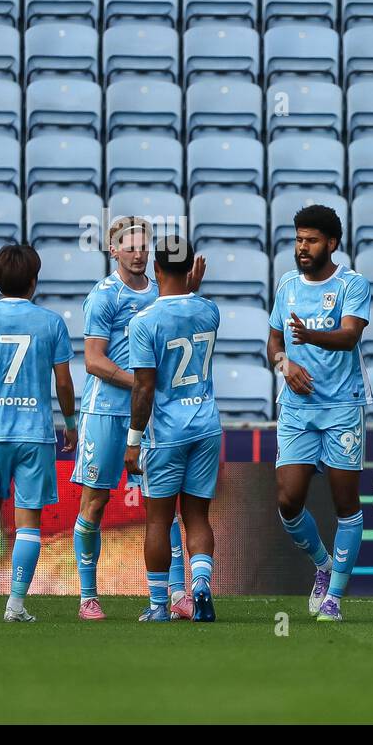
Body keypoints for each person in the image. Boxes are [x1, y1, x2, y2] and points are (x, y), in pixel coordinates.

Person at [72, 216, 194, 621]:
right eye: (131, 246)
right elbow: (93, 361)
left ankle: (177, 593)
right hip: (105, 413)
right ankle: (88, 596)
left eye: (144, 246)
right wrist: (142, 383)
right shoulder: (104, 296)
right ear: (114, 250)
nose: (139, 253)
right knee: (96, 502)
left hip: (148, 414)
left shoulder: (161, 293)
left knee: (159, 504)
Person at [0, 243, 77, 623]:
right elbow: (65, 383)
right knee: (29, 521)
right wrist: (69, 423)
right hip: (35, 433)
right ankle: (16, 605)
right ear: (34, 281)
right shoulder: (51, 323)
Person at [267, 205, 372, 623]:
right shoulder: (287, 285)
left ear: (331, 243)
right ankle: (324, 567)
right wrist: (283, 365)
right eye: (298, 239)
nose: (302, 247)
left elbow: (349, 336)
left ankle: (335, 598)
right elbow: (274, 339)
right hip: (297, 408)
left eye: (310, 240)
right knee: (288, 500)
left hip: (342, 406)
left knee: (345, 503)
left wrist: (309, 336)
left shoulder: (352, 284)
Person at [124, 237, 221, 622]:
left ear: (156, 271)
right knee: (197, 517)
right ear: (190, 270)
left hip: (167, 431)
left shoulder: (143, 322)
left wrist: (133, 440)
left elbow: (144, 387)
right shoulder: (210, 311)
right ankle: (200, 586)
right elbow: (188, 307)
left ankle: (159, 607)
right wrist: (191, 288)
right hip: (207, 425)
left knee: (158, 520)